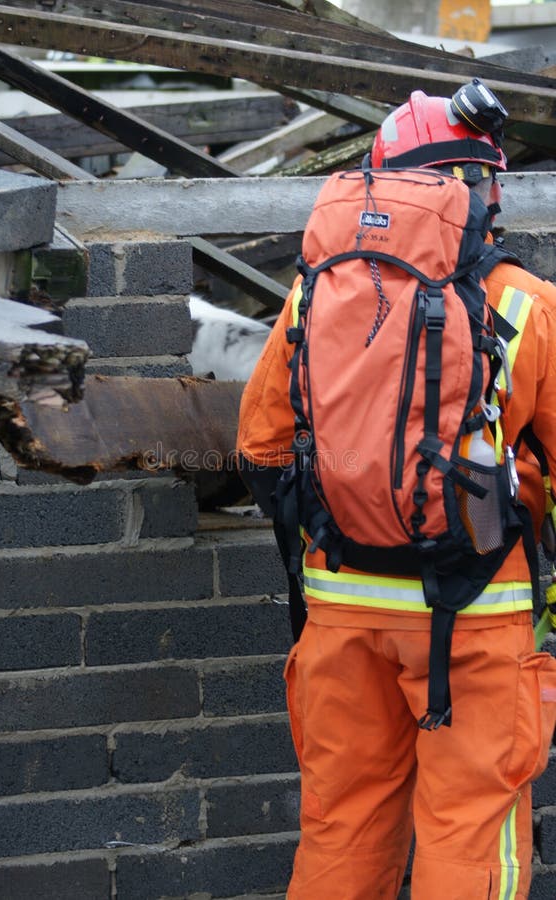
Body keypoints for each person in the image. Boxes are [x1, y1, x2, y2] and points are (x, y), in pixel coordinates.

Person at [236, 81, 556, 899]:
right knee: (469, 829)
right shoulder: (528, 304)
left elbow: (261, 449)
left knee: (342, 824)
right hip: (477, 609)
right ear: (484, 186)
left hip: (339, 606)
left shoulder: (312, 293)